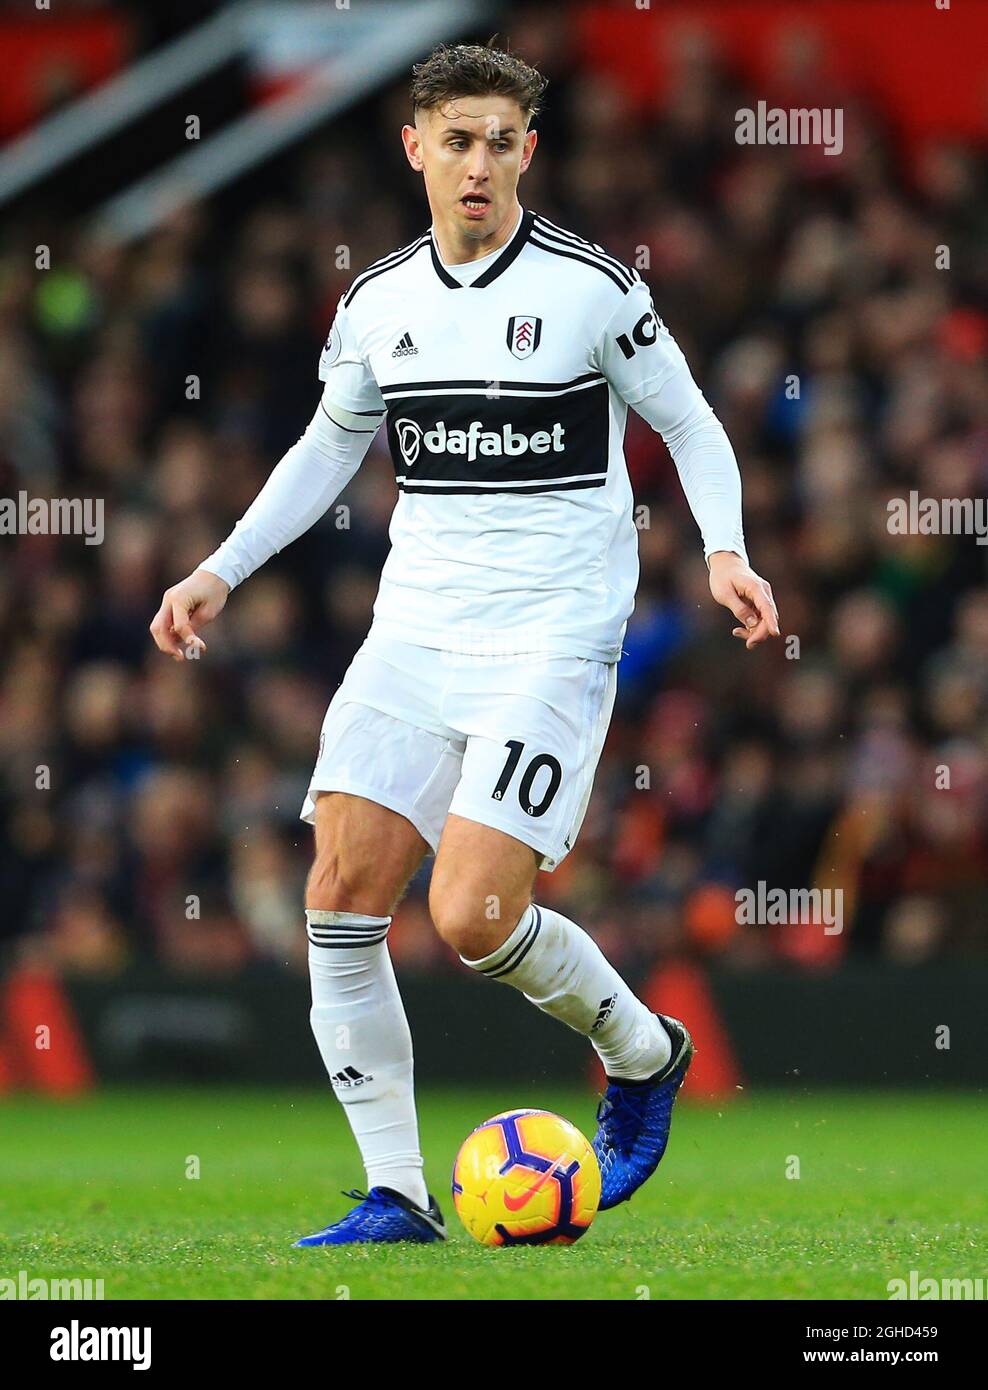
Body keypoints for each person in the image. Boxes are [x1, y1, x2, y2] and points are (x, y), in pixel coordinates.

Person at [150, 41, 779, 1246]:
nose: (478, 164)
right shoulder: (377, 302)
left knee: (475, 916)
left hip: (550, 634)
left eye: (501, 140)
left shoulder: (596, 290)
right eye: (457, 141)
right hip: (416, 630)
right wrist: (219, 569)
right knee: (336, 896)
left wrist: (725, 550)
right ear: (416, 150)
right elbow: (327, 448)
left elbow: (692, 424)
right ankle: (396, 1193)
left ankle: (643, 1054)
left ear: (528, 151)